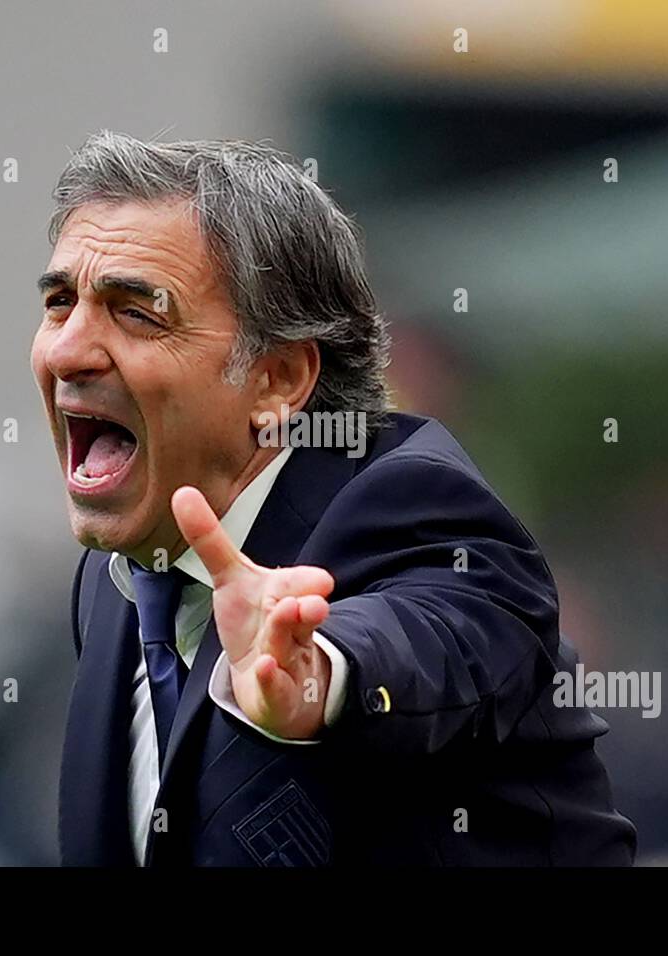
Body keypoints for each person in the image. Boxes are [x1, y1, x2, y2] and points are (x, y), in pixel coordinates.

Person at [32, 131, 636, 866]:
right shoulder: (112, 579)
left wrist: (322, 670)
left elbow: (433, 633)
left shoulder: (408, 500)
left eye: (136, 313)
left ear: (279, 379)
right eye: (61, 302)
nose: (67, 350)